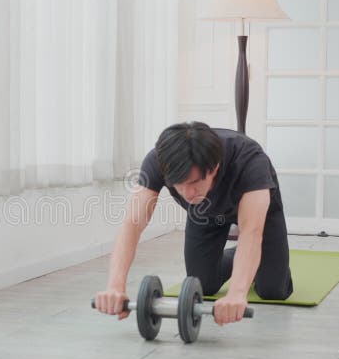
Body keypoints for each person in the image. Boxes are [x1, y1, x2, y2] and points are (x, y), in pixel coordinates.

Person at [94, 121, 293, 326]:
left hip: (257, 214)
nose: (188, 194)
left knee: (272, 290)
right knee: (203, 286)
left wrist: (237, 293)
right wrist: (115, 286)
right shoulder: (159, 161)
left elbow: (251, 232)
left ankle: (264, 260)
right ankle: (240, 256)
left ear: (214, 168)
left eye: (194, 183)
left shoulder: (250, 160)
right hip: (204, 213)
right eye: (179, 185)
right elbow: (132, 225)